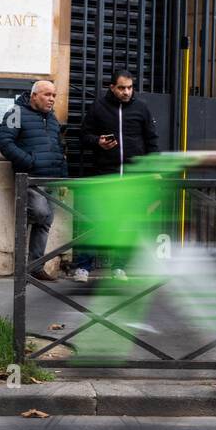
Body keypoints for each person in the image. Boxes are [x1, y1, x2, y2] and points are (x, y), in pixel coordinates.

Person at [75, 69, 159, 281]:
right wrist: (98, 142)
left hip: (133, 177)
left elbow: (151, 140)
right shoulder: (98, 108)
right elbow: (83, 136)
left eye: (129, 87)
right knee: (95, 222)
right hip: (105, 174)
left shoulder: (142, 108)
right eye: (121, 88)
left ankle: (119, 267)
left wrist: (154, 170)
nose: (126, 92)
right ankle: (83, 267)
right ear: (112, 87)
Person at [0, 79, 67, 282]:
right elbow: (5, 143)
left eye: (54, 95)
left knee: (45, 222)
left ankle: (35, 267)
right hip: (31, 178)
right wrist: (29, 162)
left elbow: (59, 149)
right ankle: (26, 266)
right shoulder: (16, 112)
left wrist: (63, 178)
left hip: (51, 178)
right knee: (41, 214)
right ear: (34, 95)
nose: (52, 99)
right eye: (47, 94)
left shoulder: (52, 118)